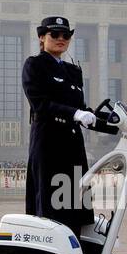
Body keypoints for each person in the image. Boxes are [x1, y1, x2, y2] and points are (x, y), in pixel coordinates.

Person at [22, 16, 94, 232]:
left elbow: (81, 107)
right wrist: (76, 114)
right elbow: (40, 104)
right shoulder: (35, 65)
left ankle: (79, 253)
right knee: (52, 206)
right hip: (49, 146)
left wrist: (108, 121)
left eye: (66, 35)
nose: (61, 39)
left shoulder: (73, 71)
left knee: (77, 202)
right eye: (55, 34)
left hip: (73, 147)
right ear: (42, 38)